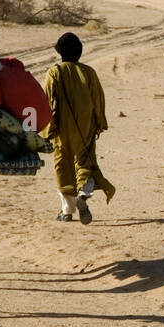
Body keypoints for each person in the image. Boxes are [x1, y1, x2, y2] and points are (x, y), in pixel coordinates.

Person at [42, 32, 116, 223]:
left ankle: (67, 211)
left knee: (63, 166)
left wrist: (48, 129)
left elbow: (49, 103)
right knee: (85, 162)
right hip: (85, 128)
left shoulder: (54, 73)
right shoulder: (89, 72)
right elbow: (98, 100)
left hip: (62, 130)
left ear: (60, 53)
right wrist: (99, 124)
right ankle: (85, 191)